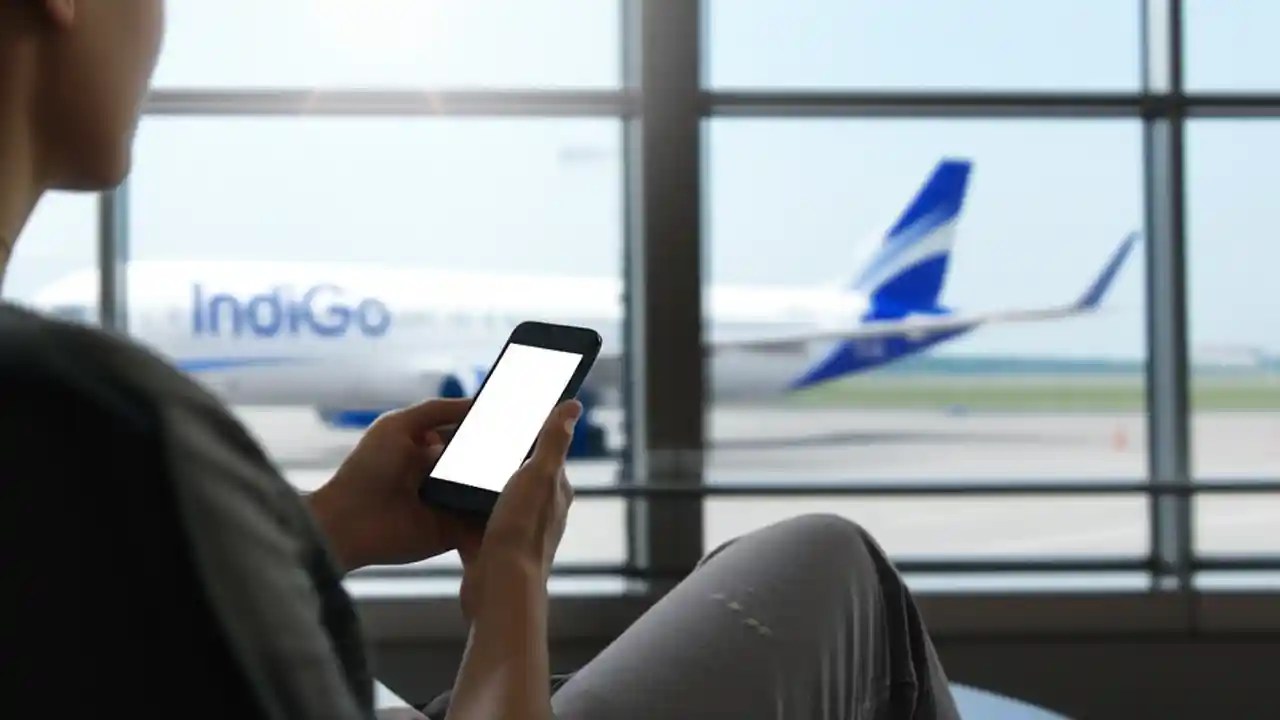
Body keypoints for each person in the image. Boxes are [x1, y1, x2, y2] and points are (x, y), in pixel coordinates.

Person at [0, 2, 960, 718]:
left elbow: (99, 631)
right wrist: (511, 585)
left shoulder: (70, 427)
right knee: (829, 557)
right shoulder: (90, 419)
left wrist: (330, 528)